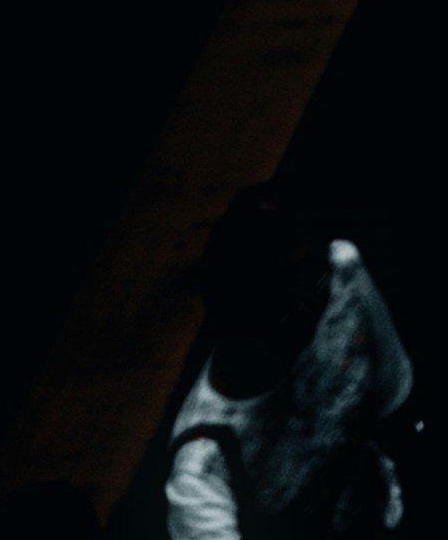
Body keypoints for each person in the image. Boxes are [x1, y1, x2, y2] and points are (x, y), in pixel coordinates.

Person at [159, 172, 420, 538]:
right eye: (290, 294)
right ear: (243, 314)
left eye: (312, 274)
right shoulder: (201, 469)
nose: (315, 300)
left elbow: (395, 398)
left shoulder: (340, 279)